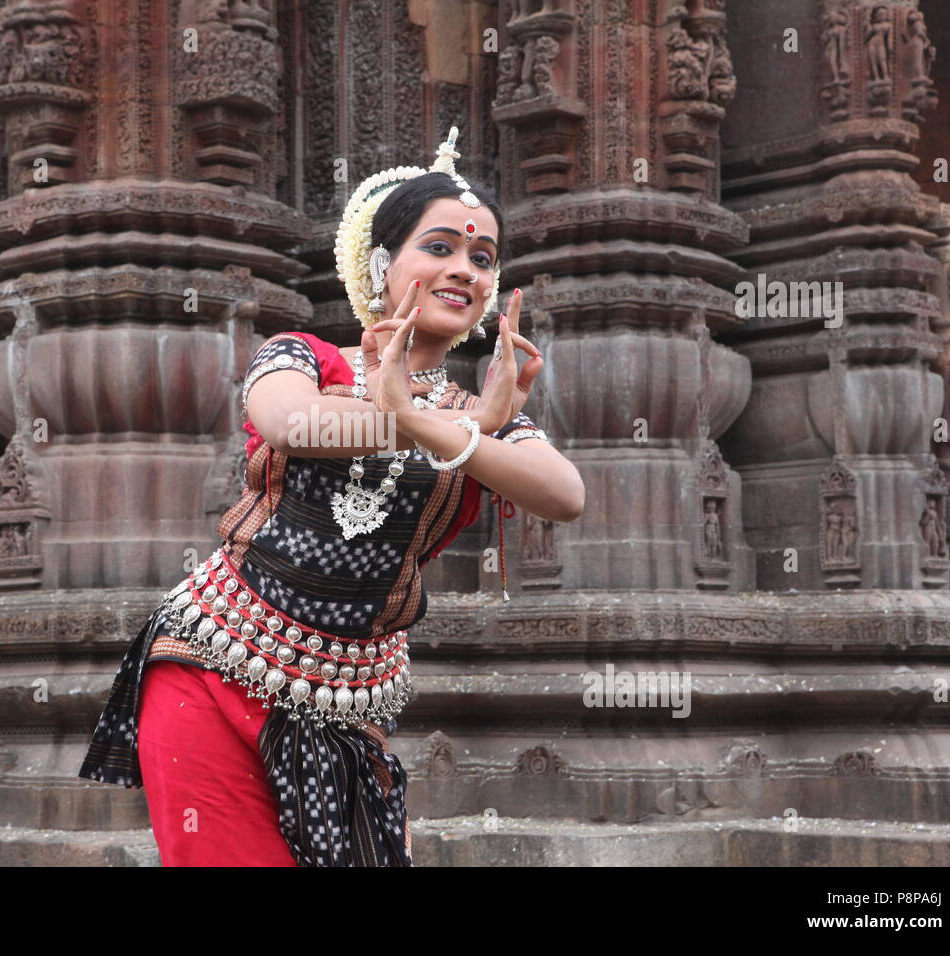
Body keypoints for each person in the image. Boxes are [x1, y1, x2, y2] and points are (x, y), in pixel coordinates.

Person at [78, 128, 585, 866]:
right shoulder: (304, 358)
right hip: (211, 669)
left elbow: (564, 494)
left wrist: (446, 420)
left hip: (350, 701)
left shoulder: (484, 416)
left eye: (482, 258)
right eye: (438, 247)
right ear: (381, 265)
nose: (464, 270)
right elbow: (291, 423)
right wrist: (435, 421)